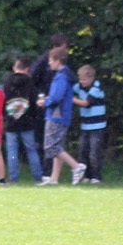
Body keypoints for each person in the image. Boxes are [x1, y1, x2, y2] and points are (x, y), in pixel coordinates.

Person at [38, 46, 86, 185]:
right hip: (62, 115)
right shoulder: (64, 75)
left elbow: (56, 98)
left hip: (56, 115)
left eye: (51, 60)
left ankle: (76, 167)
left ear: (58, 61)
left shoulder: (61, 77)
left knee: (50, 147)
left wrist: (44, 102)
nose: (49, 63)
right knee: (58, 146)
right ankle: (54, 178)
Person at [1, 56, 43, 184]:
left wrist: (5, 116)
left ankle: (14, 178)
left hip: (11, 122)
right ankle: (38, 177)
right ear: (27, 69)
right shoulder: (30, 83)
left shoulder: (6, 83)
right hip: (27, 122)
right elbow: (36, 102)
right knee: (31, 150)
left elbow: (3, 102)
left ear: (14, 68)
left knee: (12, 151)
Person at [72, 64, 107, 184]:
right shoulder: (79, 86)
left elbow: (87, 103)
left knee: (94, 152)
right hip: (85, 126)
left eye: (84, 80)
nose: (82, 82)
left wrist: (72, 99)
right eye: (80, 79)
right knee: (83, 151)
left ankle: (96, 177)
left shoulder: (96, 89)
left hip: (97, 126)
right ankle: (87, 176)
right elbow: (71, 88)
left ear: (92, 78)